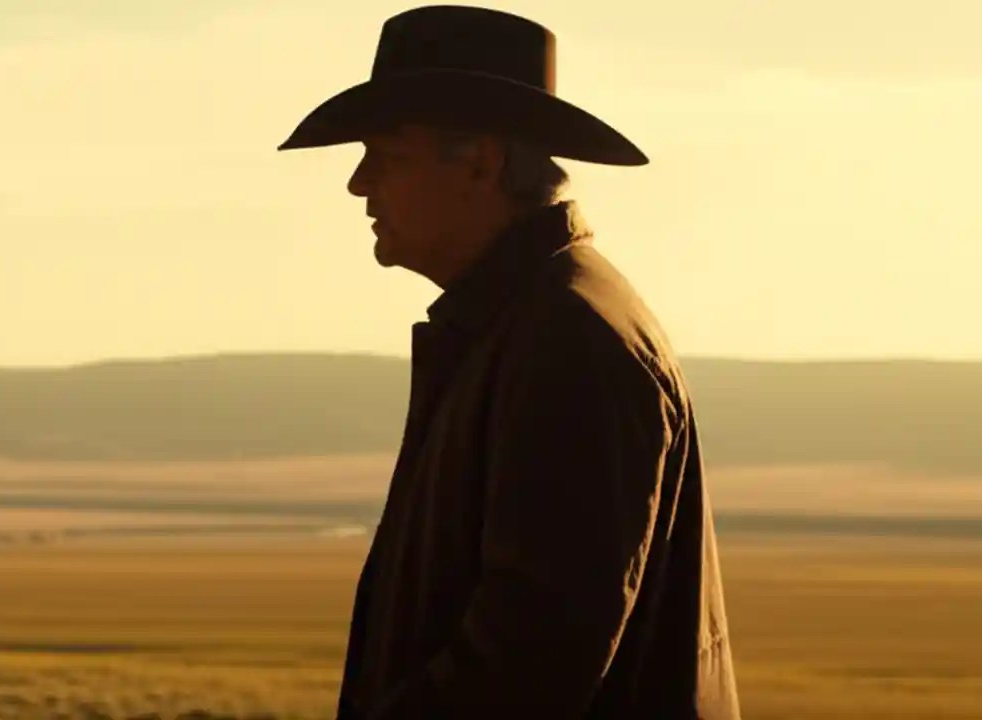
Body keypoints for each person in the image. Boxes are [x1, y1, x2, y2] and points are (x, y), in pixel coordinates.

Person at [277, 6, 740, 719]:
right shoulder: (528, 325)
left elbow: (531, 657)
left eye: (386, 154)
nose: (359, 184)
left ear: (482, 161)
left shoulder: (569, 341)